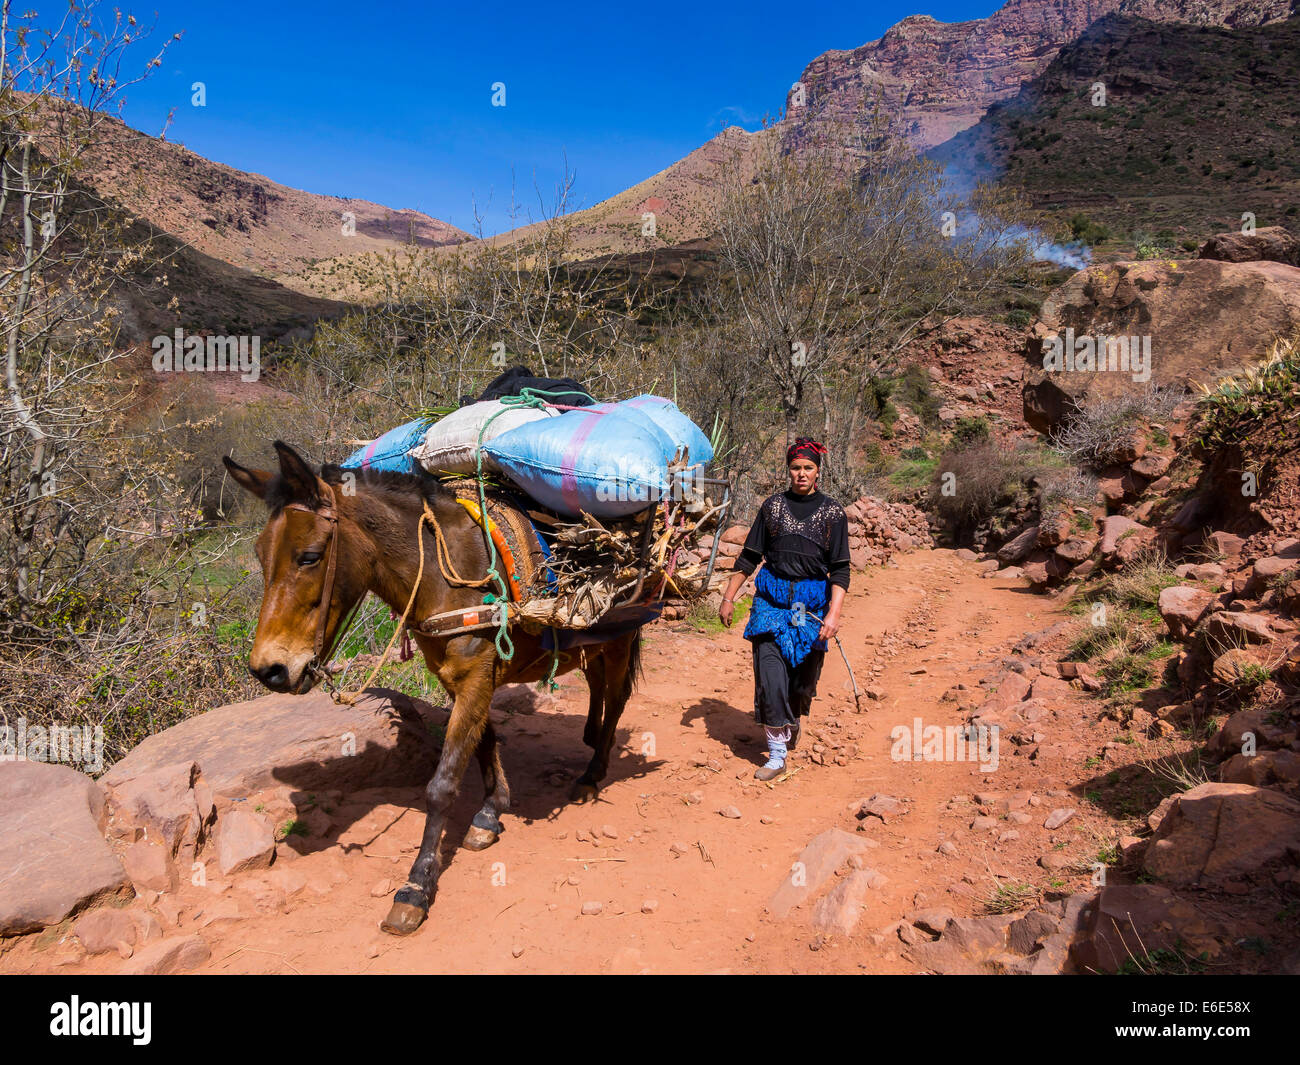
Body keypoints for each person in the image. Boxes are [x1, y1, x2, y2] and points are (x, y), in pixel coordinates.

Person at [719, 437, 850, 780]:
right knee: (771, 675)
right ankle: (776, 754)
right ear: (788, 470)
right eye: (795, 468)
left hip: (811, 610)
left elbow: (840, 569)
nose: (801, 474)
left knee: (802, 683)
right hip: (771, 605)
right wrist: (729, 596)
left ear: (818, 471)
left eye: (808, 468)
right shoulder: (772, 508)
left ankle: (791, 717)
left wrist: (833, 614)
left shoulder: (833, 513)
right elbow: (749, 556)